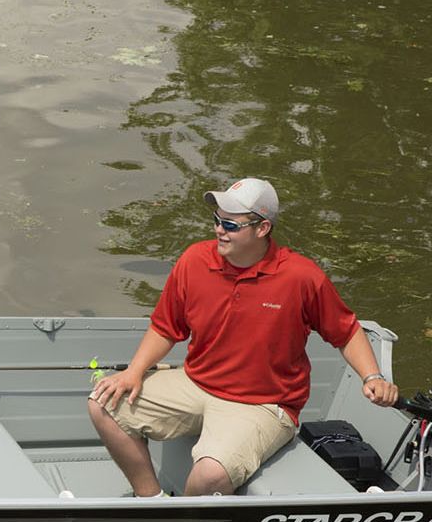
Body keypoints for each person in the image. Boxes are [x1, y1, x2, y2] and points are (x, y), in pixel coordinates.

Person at [87, 178, 399, 497]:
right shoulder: (194, 260)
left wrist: (371, 376)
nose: (219, 230)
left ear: (262, 228)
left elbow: (347, 331)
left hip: (262, 405)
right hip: (196, 383)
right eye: (216, 221)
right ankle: (151, 500)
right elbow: (165, 328)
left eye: (230, 225)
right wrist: (134, 372)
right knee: (103, 403)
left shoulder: (302, 277)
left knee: (209, 476)